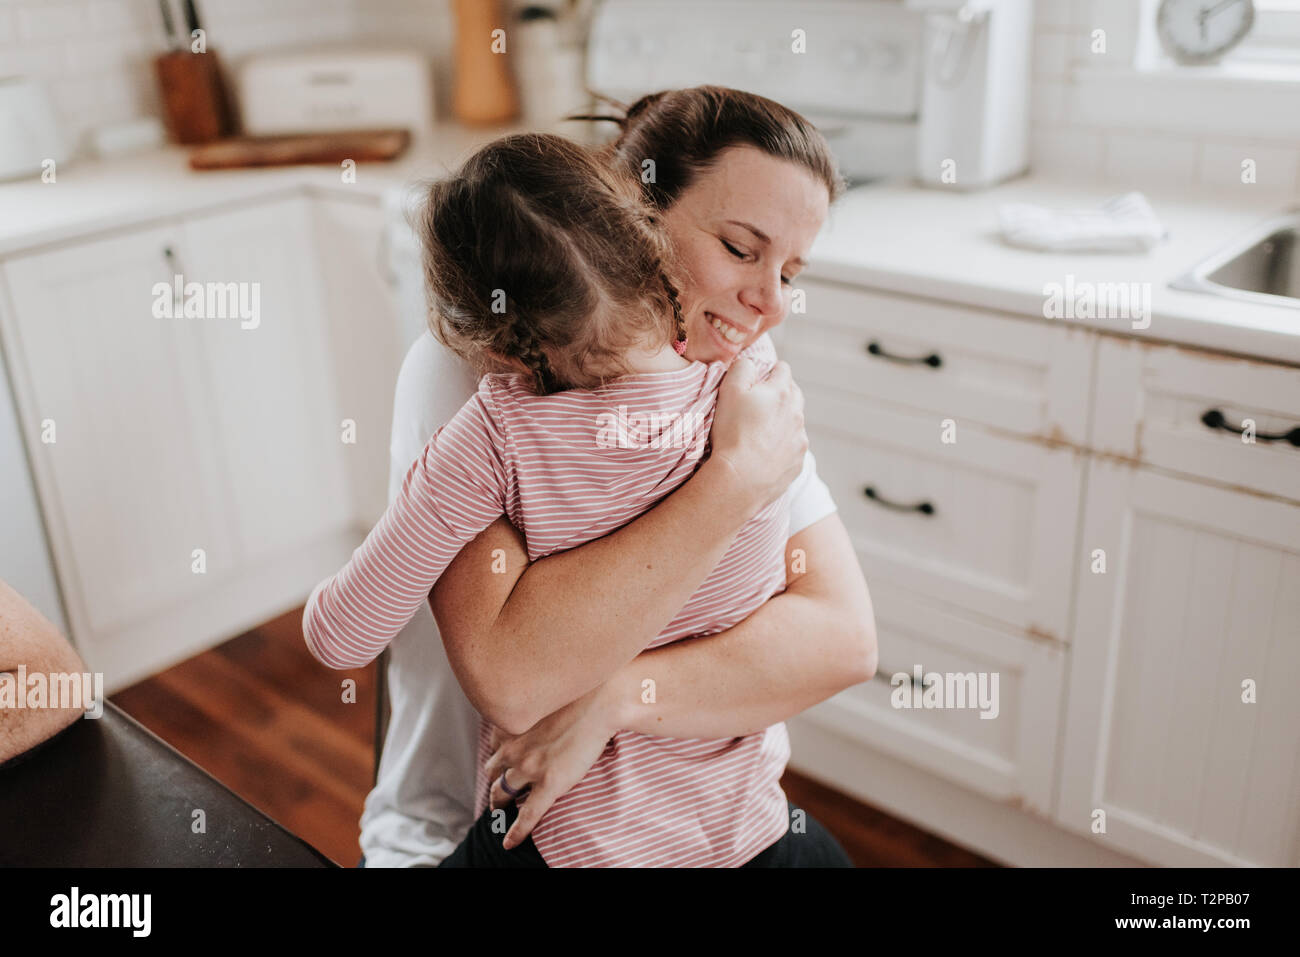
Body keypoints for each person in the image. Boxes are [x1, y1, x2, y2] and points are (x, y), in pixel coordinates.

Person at [361, 86, 878, 867]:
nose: (770, 302)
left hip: (681, 823)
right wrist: (734, 480)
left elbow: (842, 638)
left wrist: (613, 699)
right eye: (740, 249)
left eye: (791, 271)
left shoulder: (729, 378)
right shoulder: (479, 370)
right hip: (476, 828)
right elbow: (515, 678)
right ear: (632, 215)